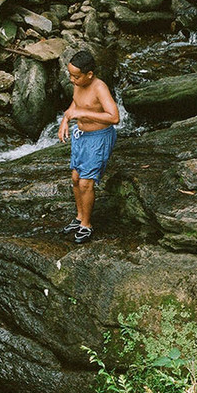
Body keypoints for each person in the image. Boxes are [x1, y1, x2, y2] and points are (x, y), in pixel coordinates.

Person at [57, 48, 120, 245]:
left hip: (98, 138)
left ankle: (86, 224)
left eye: (76, 76)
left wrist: (83, 115)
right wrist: (65, 120)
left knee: (86, 182)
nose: (72, 79)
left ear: (89, 75)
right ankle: (78, 217)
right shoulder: (78, 84)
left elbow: (114, 117)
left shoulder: (99, 88)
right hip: (81, 136)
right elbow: (75, 105)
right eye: (70, 75)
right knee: (76, 178)